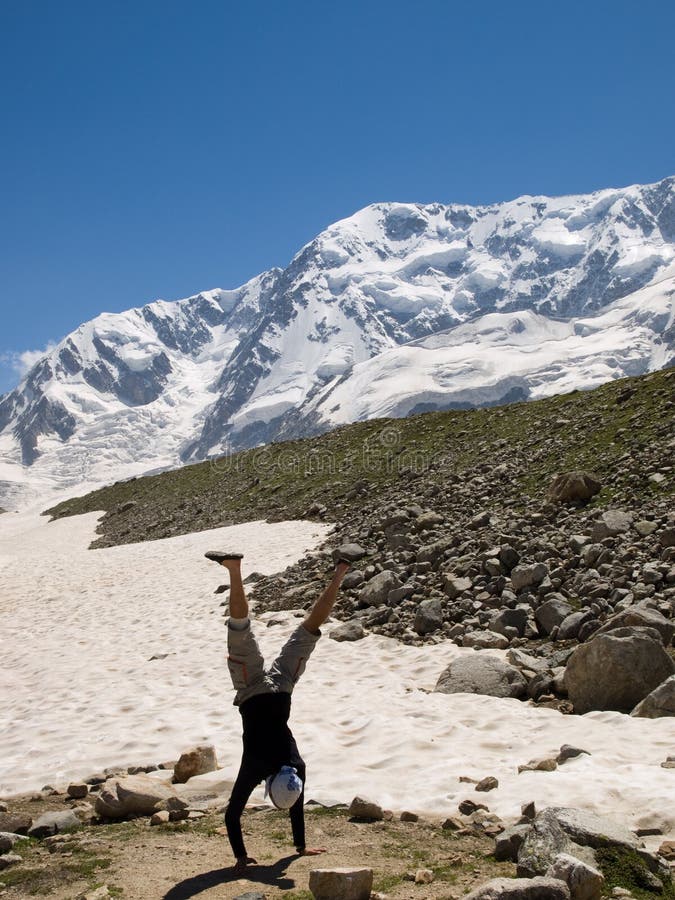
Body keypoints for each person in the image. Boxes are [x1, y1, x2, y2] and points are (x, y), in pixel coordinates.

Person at [205, 549, 351, 874]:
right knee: (239, 629)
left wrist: (300, 848)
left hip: (283, 687)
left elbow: (296, 807)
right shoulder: (258, 767)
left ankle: (341, 571)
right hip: (251, 689)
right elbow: (232, 815)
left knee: (310, 629)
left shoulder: (297, 767)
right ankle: (233, 568)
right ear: (269, 787)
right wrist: (241, 858)